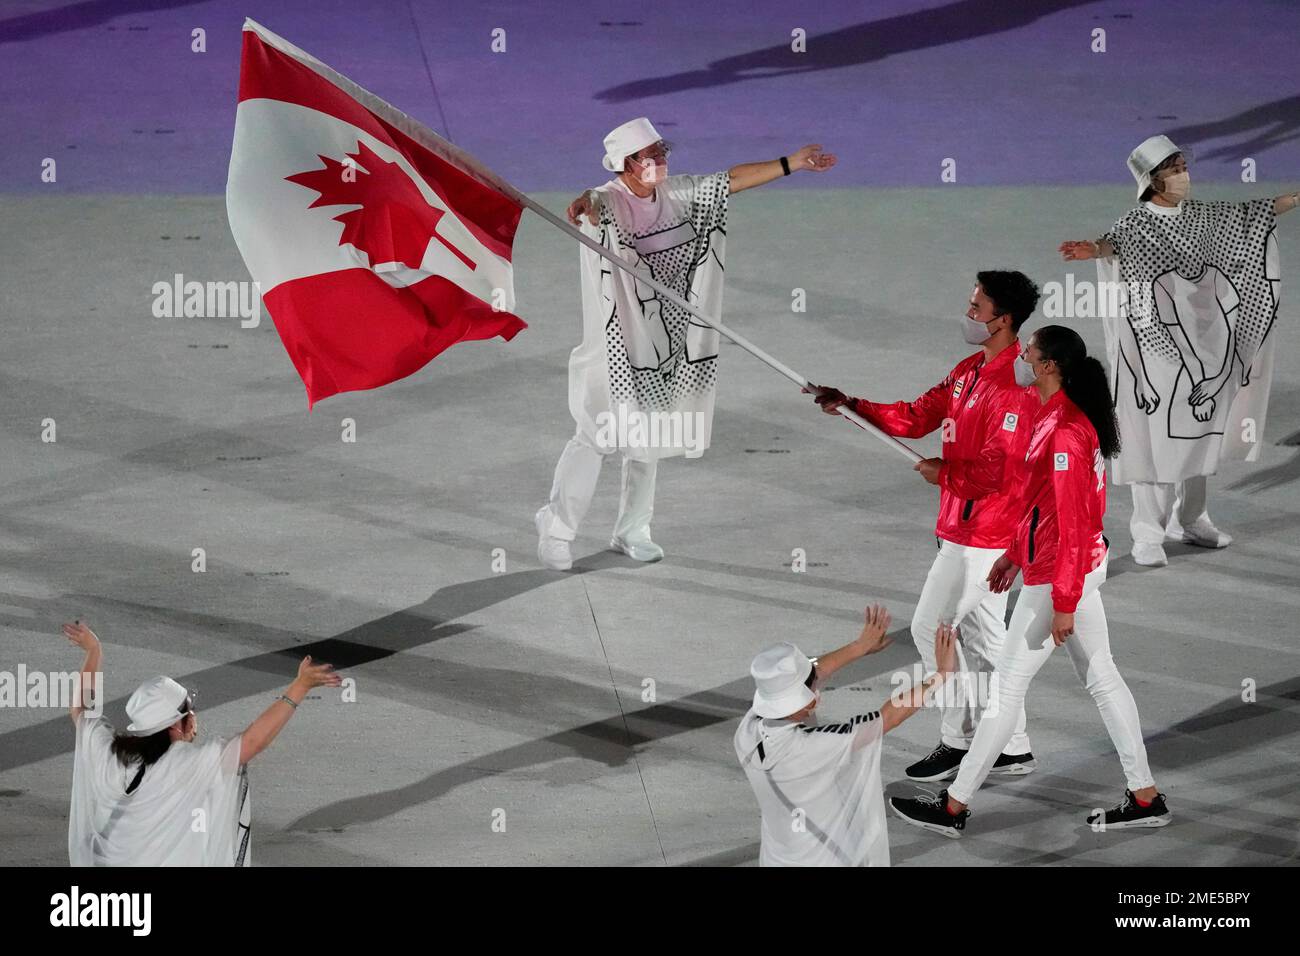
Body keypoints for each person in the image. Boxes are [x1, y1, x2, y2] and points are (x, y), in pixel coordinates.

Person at [889, 326, 1171, 837]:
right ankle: (1145, 796)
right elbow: (1041, 503)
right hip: (1062, 567)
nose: (1019, 356)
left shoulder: (1064, 430)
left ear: (1047, 366)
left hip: (1061, 573)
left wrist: (1062, 599)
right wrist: (1016, 554)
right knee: (1103, 678)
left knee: (1007, 687)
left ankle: (952, 807)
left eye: (1029, 353)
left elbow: (1075, 519)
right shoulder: (1052, 415)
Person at [535, 117, 837, 570]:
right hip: (613, 345)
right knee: (594, 436)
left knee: (650, 438)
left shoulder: (675, 194)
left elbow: (729, 181)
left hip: (663, 341)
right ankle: (556, 528)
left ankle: (632, 530)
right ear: (625, 163)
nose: (660, 161)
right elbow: (589, 204)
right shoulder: (608, 200)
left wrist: (791, 162)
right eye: (649, 155)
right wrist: (584, 207)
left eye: (662, 152)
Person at [808, 272, 1040, 782]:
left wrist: (946, 473)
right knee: (987, 642)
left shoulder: (1017, 387)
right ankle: (1015, 744)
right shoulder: (968, 371)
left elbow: (1003, 471)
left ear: (1003, 320)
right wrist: (850, 405)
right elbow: (915, 417)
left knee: (932, 629)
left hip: (985, 538)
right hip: (959, 529)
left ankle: (956, 741)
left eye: (977, 307)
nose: (968, 313)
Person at [1060, 135, 1297, 566]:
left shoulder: (1202, 216)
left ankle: (1191, 518)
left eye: (1183, 164)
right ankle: (1147, 533)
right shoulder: (1137, 223)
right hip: (1159, 350)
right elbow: (1112, 245)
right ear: (1152, 179)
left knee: (1201, 435)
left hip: (1210, 345)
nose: (1183, 174)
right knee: (1159, 440)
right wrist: (1093, 249)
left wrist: (1295, 198)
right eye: (1174, 168)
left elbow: (1252, 213)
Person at [62, 618, 341, 866]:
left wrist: (94, 651)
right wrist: (299, 687)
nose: (194, 715)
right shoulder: (191, 763)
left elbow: (82, 711)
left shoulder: (114, 755)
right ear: (176, 722)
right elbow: (252, 742)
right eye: (189, 709)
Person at [735, 604, 957, 866]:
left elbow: (814, 672)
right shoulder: (813, 746)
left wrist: (859, 646)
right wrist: (941, 675)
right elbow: (888, 717)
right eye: (809, 691)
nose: (816, 693)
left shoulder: (747, 729)